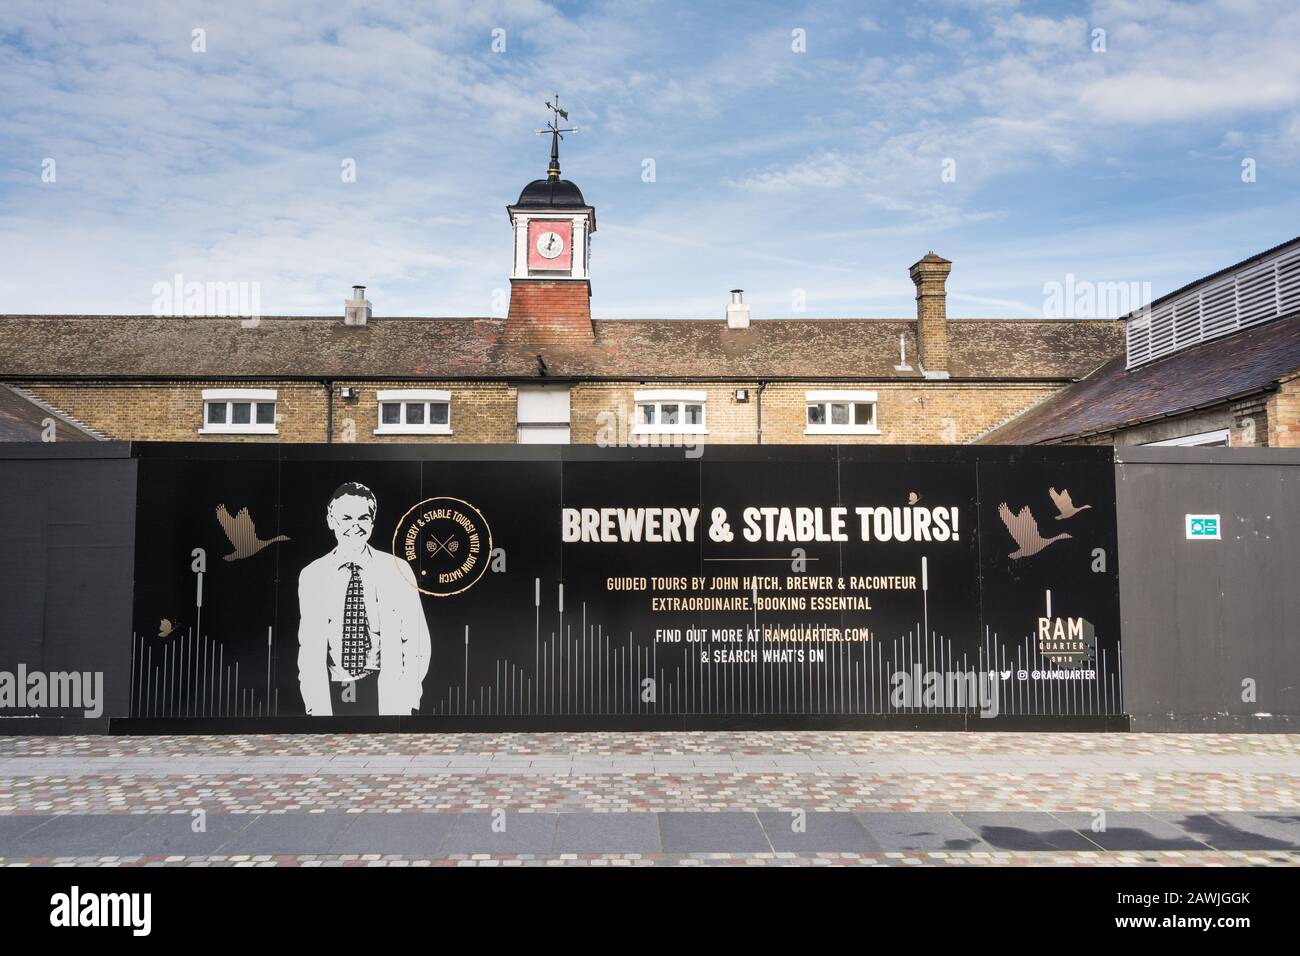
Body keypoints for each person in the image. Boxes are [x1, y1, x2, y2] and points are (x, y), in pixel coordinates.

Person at [297, 482, 430, 716]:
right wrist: (312, 702)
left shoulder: (397, 569)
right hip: (331, 689)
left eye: (363, 518)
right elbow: (307, 645)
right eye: (346, 518)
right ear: (331, 520)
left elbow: (417, 641)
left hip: (385, 691)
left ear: (372, 521)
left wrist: (408, 698)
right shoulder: (312, 575)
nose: (355, 526)